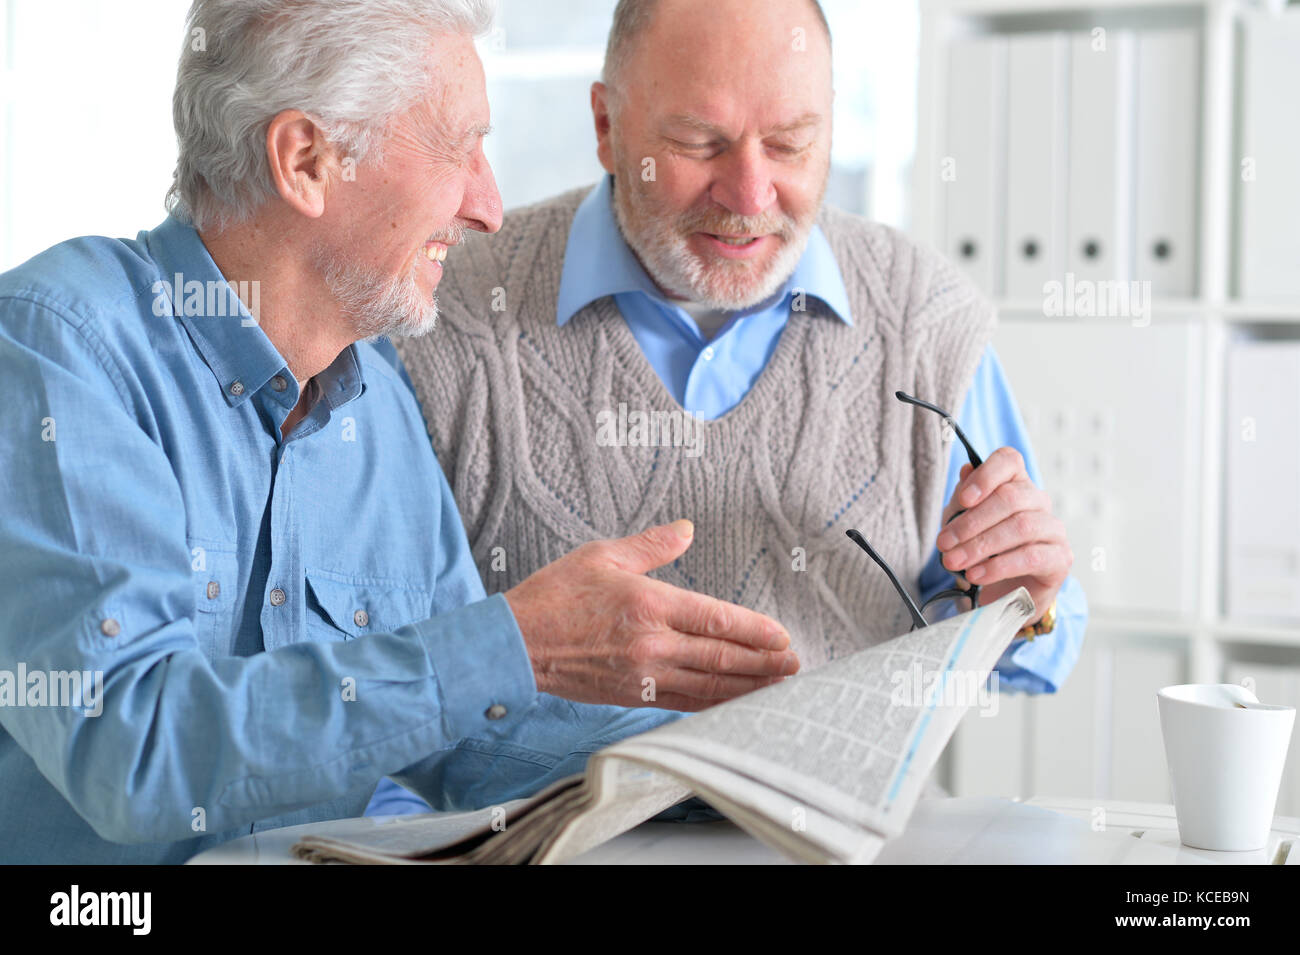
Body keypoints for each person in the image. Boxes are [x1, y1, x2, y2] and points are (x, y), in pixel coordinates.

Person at [0, 0, 800, 864]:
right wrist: (517, 642)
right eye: (461, 149)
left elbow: (467, 737)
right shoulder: (60, 347)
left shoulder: (374, 396)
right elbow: (133, 751)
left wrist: (726, 754)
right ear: (306, 161)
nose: (490, 207)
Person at [389, 0, 1088, 817]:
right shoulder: (444, 310)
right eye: (699, 143)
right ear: (607, 125)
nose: (752, 194)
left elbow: (1043, 643)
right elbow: (367, 684)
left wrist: (1026, 598)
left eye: (792, 143)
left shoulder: (923, 319)